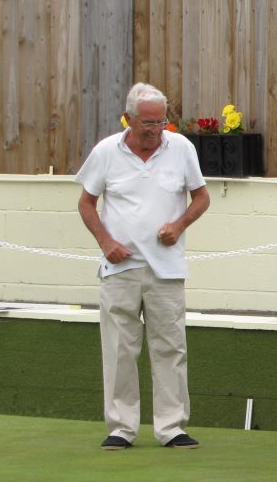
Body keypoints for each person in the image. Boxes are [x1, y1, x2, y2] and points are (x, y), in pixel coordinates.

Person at [76, 83, 210, 450]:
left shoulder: (181, 148)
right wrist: (106, 243)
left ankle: (171, 427)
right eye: (146, 123)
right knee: (119, 348)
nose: (154, 130)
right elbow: (86, 203)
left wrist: (179, 225)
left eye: (160, 122)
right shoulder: (106, 151)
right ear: (129, 118)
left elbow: (202, 197)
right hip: (119, 268)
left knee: (171, 347)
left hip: (167, 269)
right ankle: (121, 428)